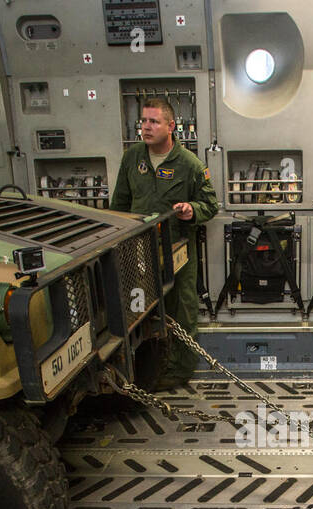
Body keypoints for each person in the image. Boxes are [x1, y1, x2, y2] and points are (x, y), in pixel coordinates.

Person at [110, 97, 218, 390]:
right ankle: (144, 369)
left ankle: (180, 372)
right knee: (140, 310)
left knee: (181, 307)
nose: (146, 127)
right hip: (136, 251)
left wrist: (191, 210)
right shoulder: (132, 158)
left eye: (153, 122)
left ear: (171, 126)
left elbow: (210, 204)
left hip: (177, 249)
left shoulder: (190, 165)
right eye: (143, 121)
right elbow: (118, 204)